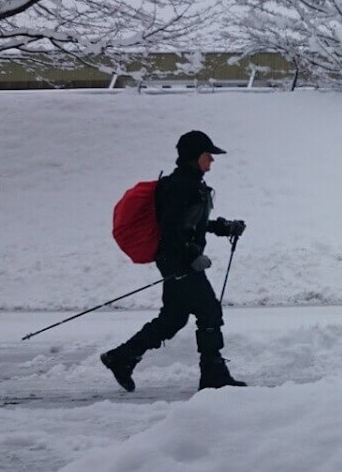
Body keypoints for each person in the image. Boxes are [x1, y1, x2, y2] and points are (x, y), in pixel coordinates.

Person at [101, 130, 249, 391]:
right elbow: (171, 228)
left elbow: (189, 223)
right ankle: (214, 376)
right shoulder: (180, 186)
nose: (212, 162)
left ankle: (122, 357)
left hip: (178, 260)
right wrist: (193, 256)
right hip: (179, 261)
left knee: (173, 317)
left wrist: (222, 227)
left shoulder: (190, 183)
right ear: (196, 157)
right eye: (208, 156)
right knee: (209, 312)